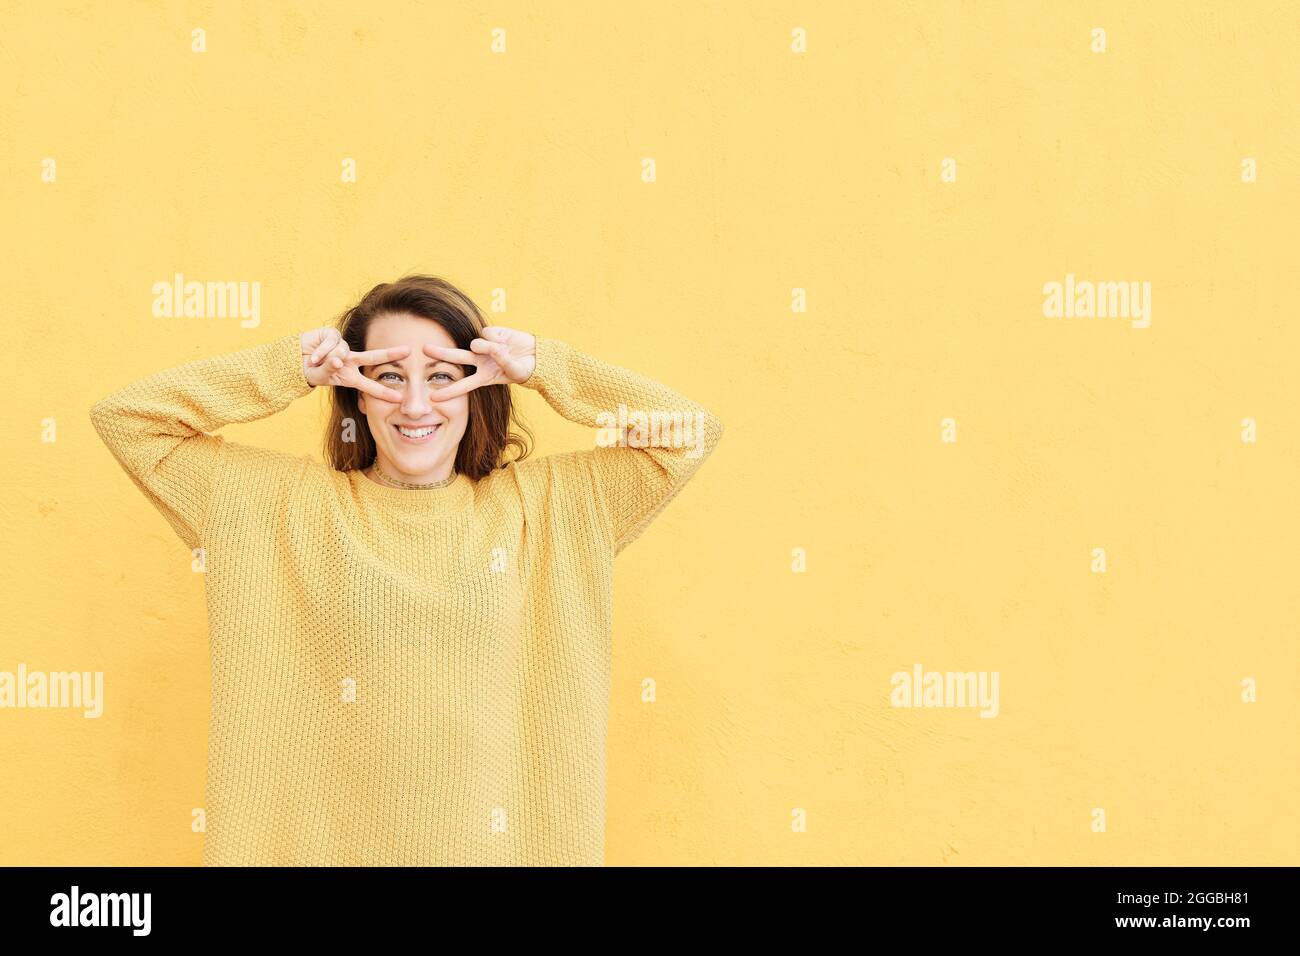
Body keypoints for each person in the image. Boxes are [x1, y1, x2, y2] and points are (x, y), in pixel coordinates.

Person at [89, 274, 724, 865]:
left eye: (445, 375)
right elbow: (131, 420)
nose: (416, 403)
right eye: (387, 376)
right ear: (355, 398)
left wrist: (544, 366)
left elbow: (689, 431)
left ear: (479, 391)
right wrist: (290, 367)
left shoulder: (552, 511)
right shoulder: (273, 508)